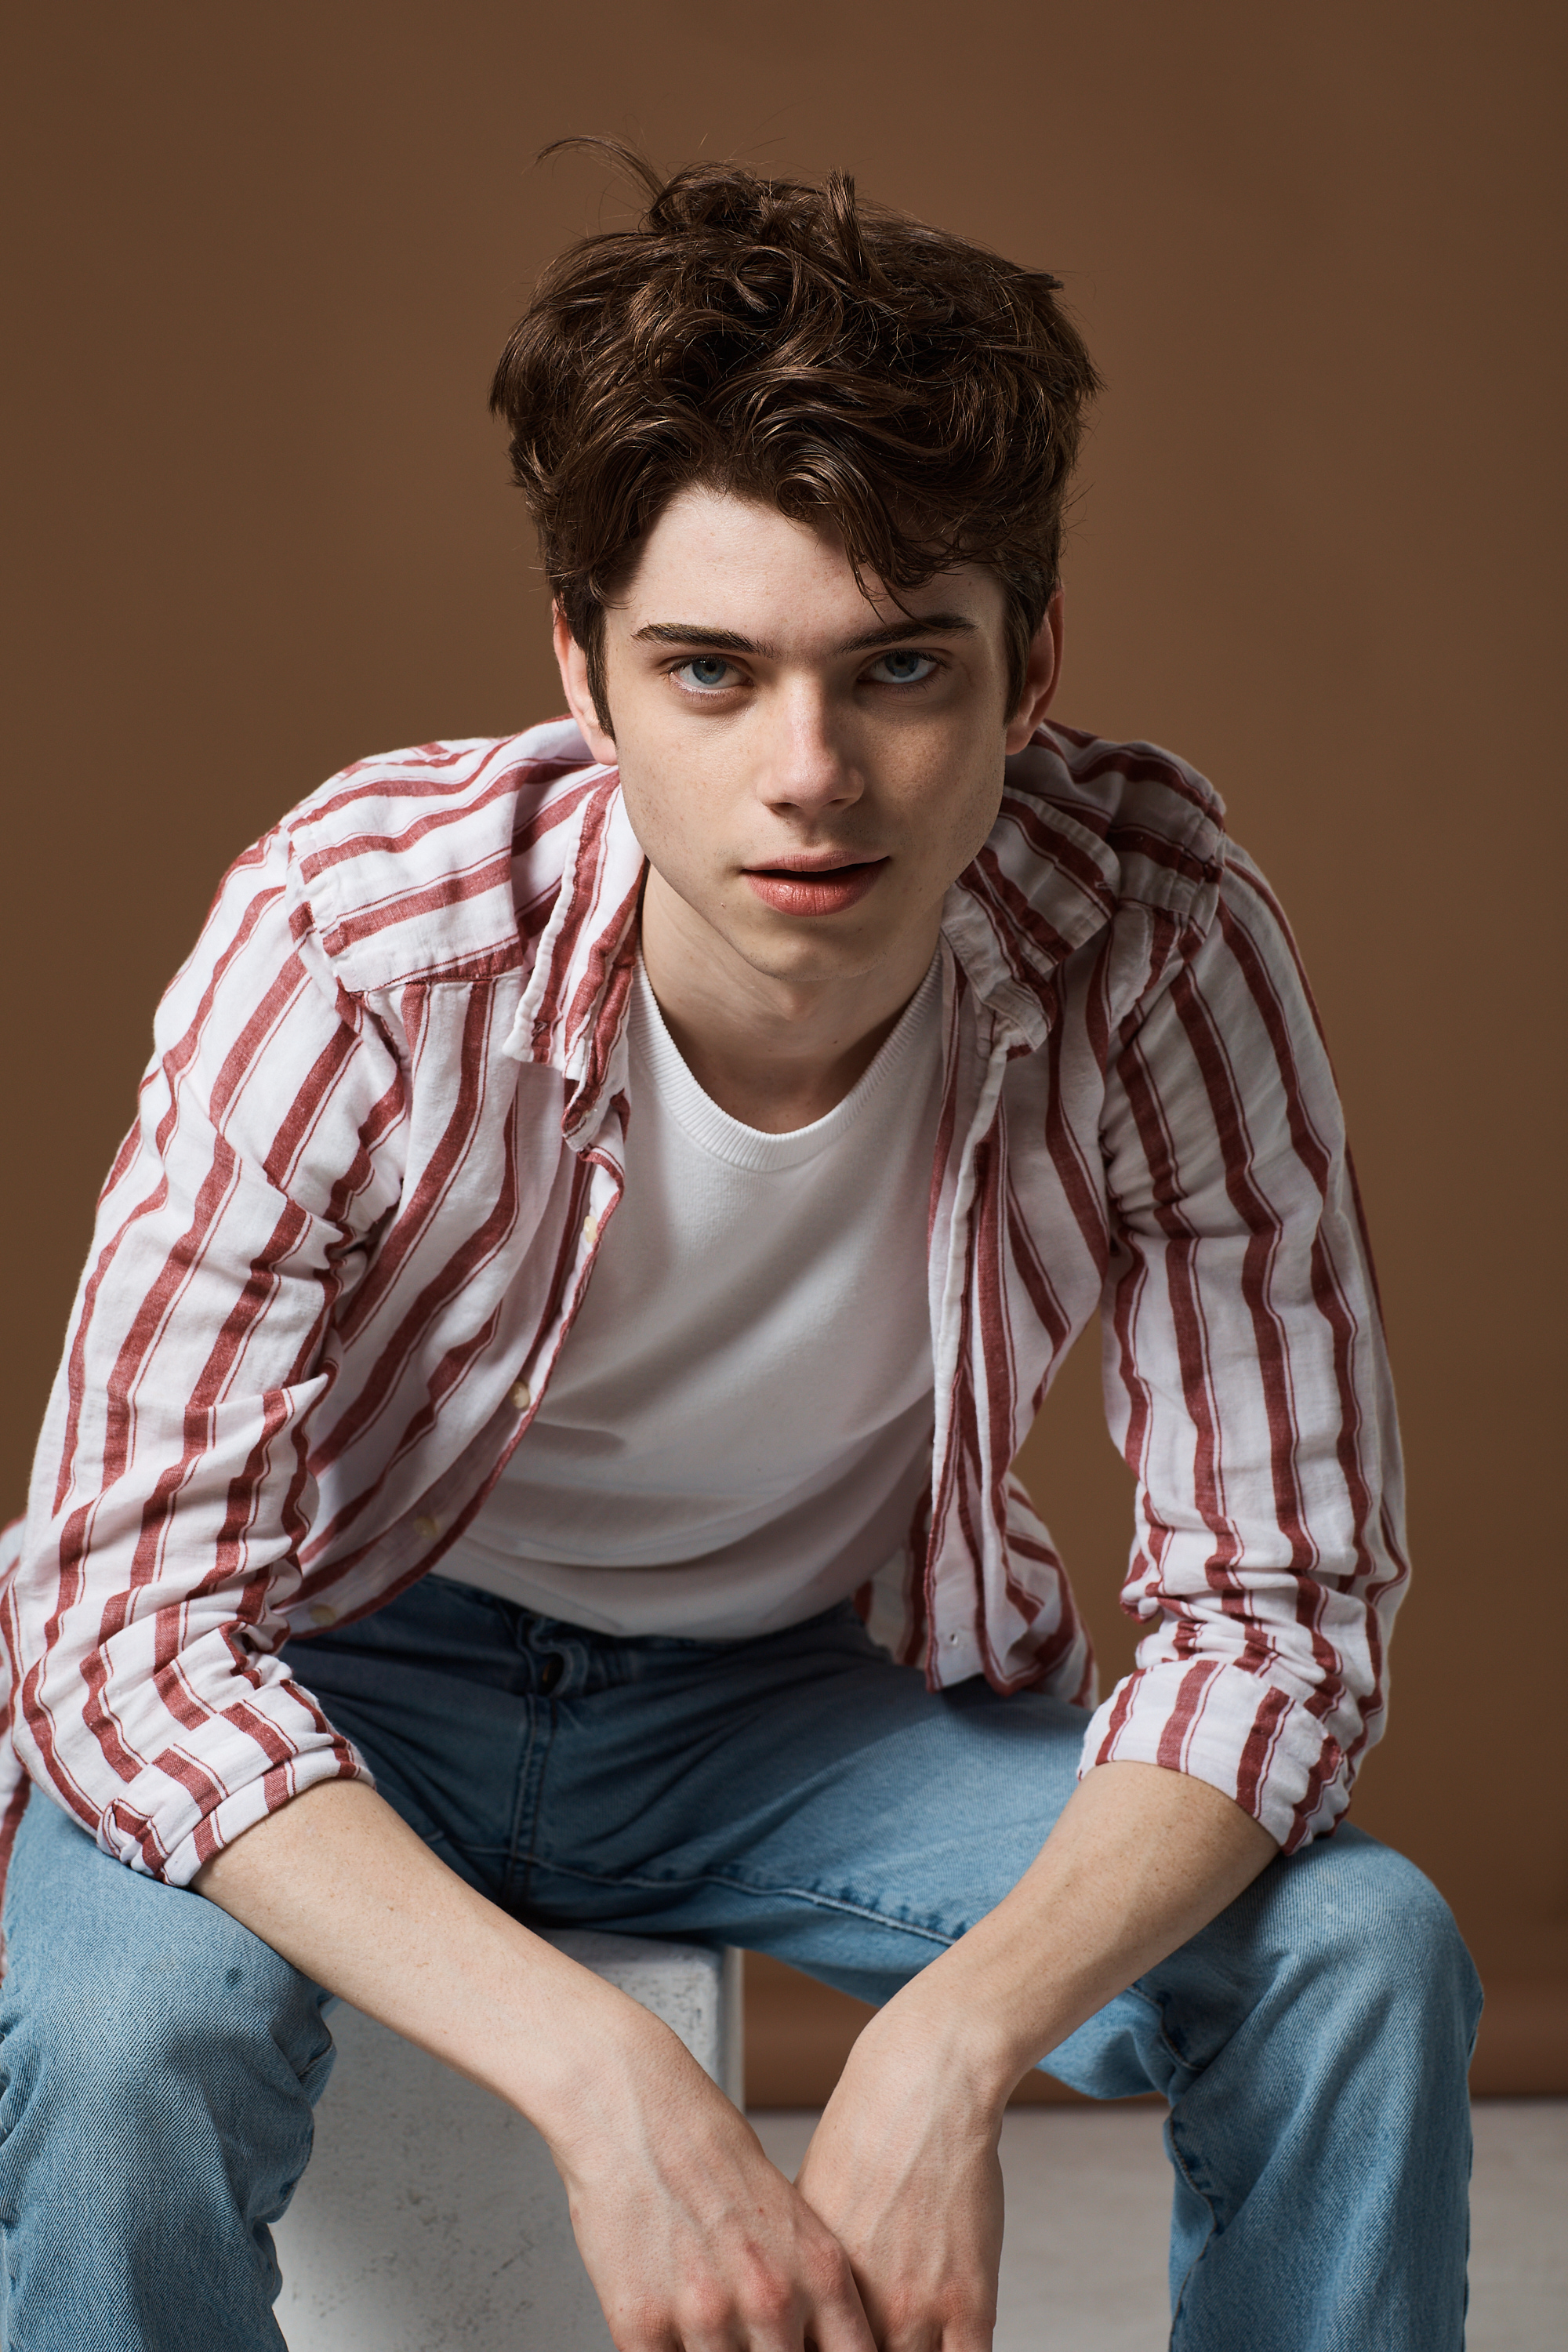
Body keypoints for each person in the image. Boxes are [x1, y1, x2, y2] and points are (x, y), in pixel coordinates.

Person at [0, 146, 1479, 2352]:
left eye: (900, 668)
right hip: (340, 1669)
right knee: (120, 2044)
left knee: (1362, 1956)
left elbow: (1278, 1614)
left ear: (1031, 669)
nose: (813, 774)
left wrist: (951, 2043)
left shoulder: (1155, 943)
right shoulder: (358, 941)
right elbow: (126, 1630)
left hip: (795, 1708)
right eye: (710, 671)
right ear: (584, 674)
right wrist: (607, 2081)